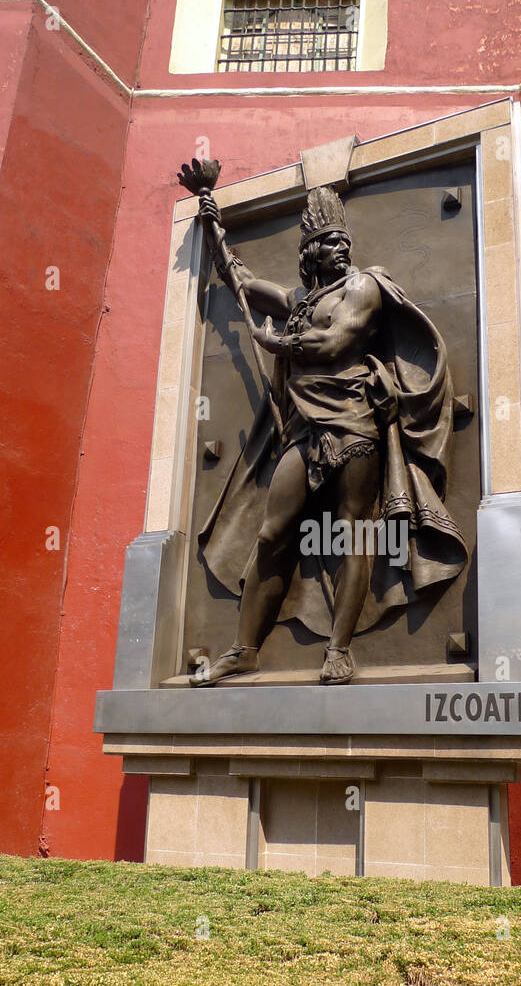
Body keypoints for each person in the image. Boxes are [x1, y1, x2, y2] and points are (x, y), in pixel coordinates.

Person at [192, 184, 467, 686]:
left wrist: (279, 343)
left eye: (345, 240)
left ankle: (338, 650)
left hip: (354, 420)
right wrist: (215, 231)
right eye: (333, 242)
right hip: (304, 429)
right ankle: (245, 650)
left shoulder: (363, 286)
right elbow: (243, 283)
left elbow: (337, 339)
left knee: (352, 532)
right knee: (273, 534)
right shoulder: (297, 300)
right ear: (311, 251)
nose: (343, 248)